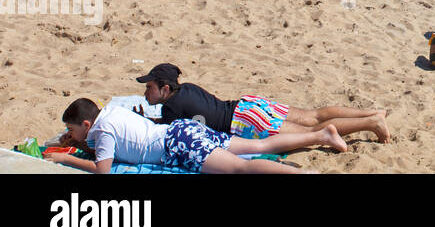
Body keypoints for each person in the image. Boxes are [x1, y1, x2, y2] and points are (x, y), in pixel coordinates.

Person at [46, 97, 345, 174]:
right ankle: (322, 135)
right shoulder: (109, 113)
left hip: (178, 145)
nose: (68, 135)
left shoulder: (103, 132)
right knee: (259, 145)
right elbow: (89, 137)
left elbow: (103, 169)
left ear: (86, 124)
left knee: (240, 168)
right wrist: (71, 140)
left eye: (72, 130)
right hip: (184, 131)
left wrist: (67, 158)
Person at [134, 63, 388, 142]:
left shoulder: (171, 108)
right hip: (247, 105)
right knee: (315, 115)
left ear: (165, 89)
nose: (147, 93)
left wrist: (144, 119)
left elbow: (161, 131)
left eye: (149, 88)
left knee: (313, 131)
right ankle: (373, 112)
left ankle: (371, 123)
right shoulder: (187, 88)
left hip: (244, 123)